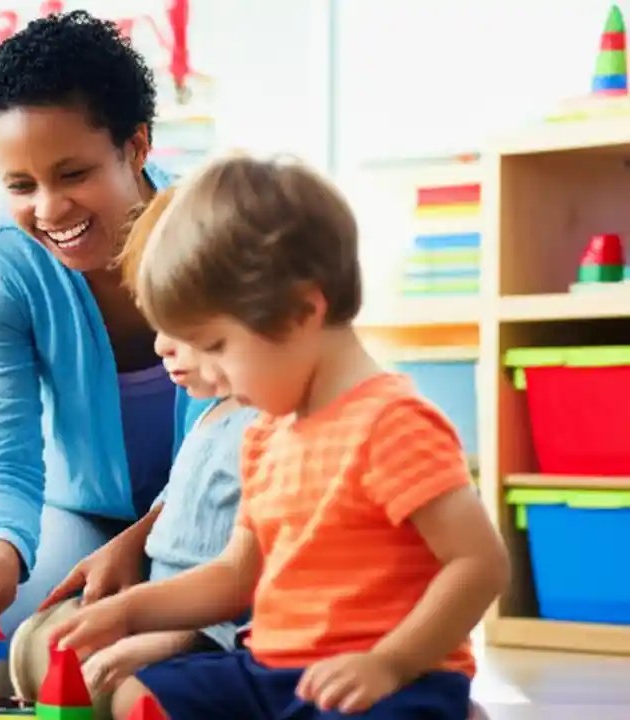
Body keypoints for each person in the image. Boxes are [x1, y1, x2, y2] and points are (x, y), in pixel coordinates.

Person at [50, 154, 510, 720]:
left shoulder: (392, 424)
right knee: (140, 698)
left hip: (386, 681)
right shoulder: (267, 435)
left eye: (217, 347)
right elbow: (234, 577)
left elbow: (480, 564)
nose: (210, 373)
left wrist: (391, 662)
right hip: (272, 671)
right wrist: (130, 611)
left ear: (301, 311)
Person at [0, 8, 210, 642]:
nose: (48, 208)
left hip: (213, 508)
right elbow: (3, 448)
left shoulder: (210, 232)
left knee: (199, 625)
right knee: (1, 633)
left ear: (136, 147)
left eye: (73, 174)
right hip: (83, 514)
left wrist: (142, 543)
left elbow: (232, 445)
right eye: (20, 185)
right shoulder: (0, 263)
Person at [6, 187, 259, 718]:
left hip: (209, 632)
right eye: (154, 323)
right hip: (159, 605)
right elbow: (179, 502)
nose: (160, 345)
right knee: (35, 642)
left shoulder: (265, 426)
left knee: (120, 689)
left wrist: (175, 637)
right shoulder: (213, 413)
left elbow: (247, 576)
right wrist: (128, 552)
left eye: (179, 327)